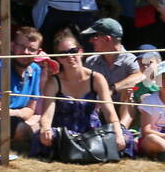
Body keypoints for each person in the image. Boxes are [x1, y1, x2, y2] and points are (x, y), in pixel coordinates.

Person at [34, 29, 130, 160]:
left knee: (125, 136)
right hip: (65, 134)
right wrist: (45, 129)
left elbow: (110, 113)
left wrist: (118, 133)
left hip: (92, 132)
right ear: (58, 59)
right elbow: (47, 116)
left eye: (73, 51)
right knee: (44, 136)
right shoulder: (54, 82)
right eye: (63, 54)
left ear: (81, 51)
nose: (70, 57)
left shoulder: (97, 78)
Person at [0, 26, 44, 149]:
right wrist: (21, 114)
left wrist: (23, 115)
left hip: (13, 121)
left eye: (31, 49)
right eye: (21, 46)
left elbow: (32, 108)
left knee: (43, 121)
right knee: (26, 127)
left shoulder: (35, 70)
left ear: (38, 52)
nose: (25, 52)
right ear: (12, 45)